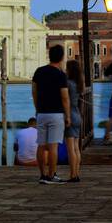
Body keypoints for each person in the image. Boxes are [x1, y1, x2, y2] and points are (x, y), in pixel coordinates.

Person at [31, 44, 70, 184]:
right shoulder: (61, 75)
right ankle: (52, 175)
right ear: (61, 57)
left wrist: (37, 108)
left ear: (49, 55)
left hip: (41, 113)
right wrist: (68, 116)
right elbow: (65, 97)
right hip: (56, 114)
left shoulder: (39, 71)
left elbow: (34, 92)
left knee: (41, 145)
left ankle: (42, 175)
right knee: (53, 146)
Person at [64, 59, 85, 182]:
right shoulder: (79, 83)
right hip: (77, 115)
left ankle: (72, 175)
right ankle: (76, 173)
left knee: (70, 148)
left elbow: (64, 98)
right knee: (76, 147)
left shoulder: (68, 83)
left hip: (70, 116)